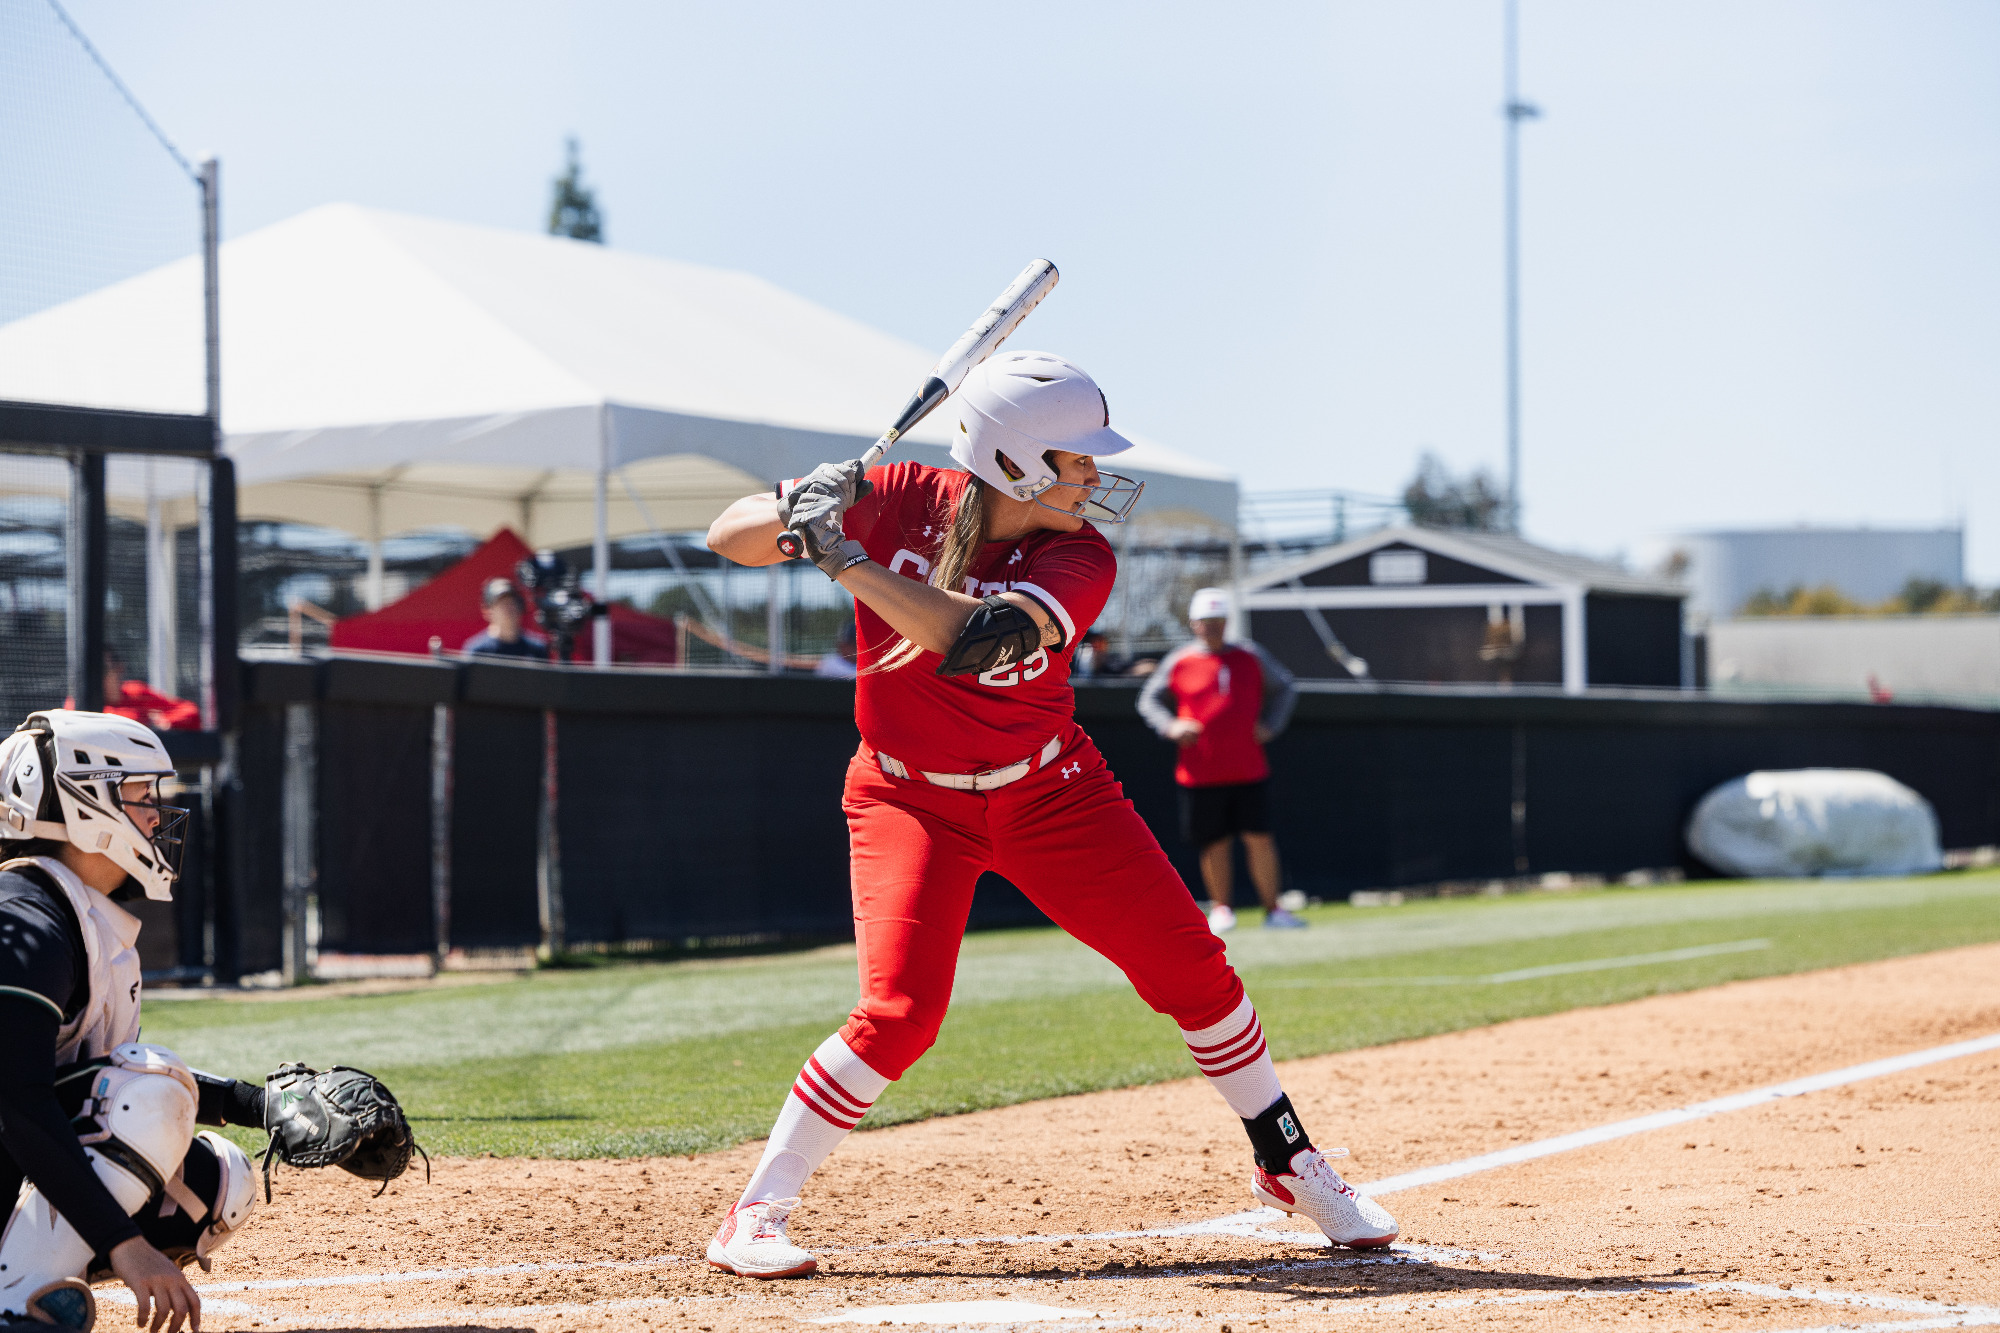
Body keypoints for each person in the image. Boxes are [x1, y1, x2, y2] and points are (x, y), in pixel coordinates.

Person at [702, 350, 1396, 1279]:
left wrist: (846, 557)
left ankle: (1285, 1155)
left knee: (1192, 964)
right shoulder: (897, 491)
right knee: (899, 1011)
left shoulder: (1078, 553)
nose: (1095, 475)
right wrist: (798, 511)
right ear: (1018, 462)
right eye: (1077, 459)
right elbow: (725, 535)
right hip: (907, 794)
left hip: (1049, 791)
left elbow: (970, 641)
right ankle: (757, 1211)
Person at [0, 709, 422, 1333]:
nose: (158, 814)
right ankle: (14, 1306)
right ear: (85, 805)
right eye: (142, 795)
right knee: (145, 1097)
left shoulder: (68, 909)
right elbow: (17, 1098)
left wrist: (262, 1105)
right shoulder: (28, 922)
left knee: (216, 1184)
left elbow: (79, 1075)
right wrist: (126, 1244)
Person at [1139, 587, 1302, 933]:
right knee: (1214, 841)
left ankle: (1274, 910)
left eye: (1218, 622)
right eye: (1205, 622)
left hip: (1249, 769)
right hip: (1199, 772)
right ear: (1194, 624)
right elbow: (1148, 700)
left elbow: (1286, 687)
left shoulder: (1250, 655)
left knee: (1260, 837)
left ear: (1227, 622)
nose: (1211, 628)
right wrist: (1171, 726)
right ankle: (1222, 909)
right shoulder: (1180, 660)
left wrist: (1271, 725)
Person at [461, 577, 549, 659]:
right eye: (502, 604)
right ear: (488, 611)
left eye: (512, 603)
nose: (509, 609)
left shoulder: (537, 649)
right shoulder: (478, 651)